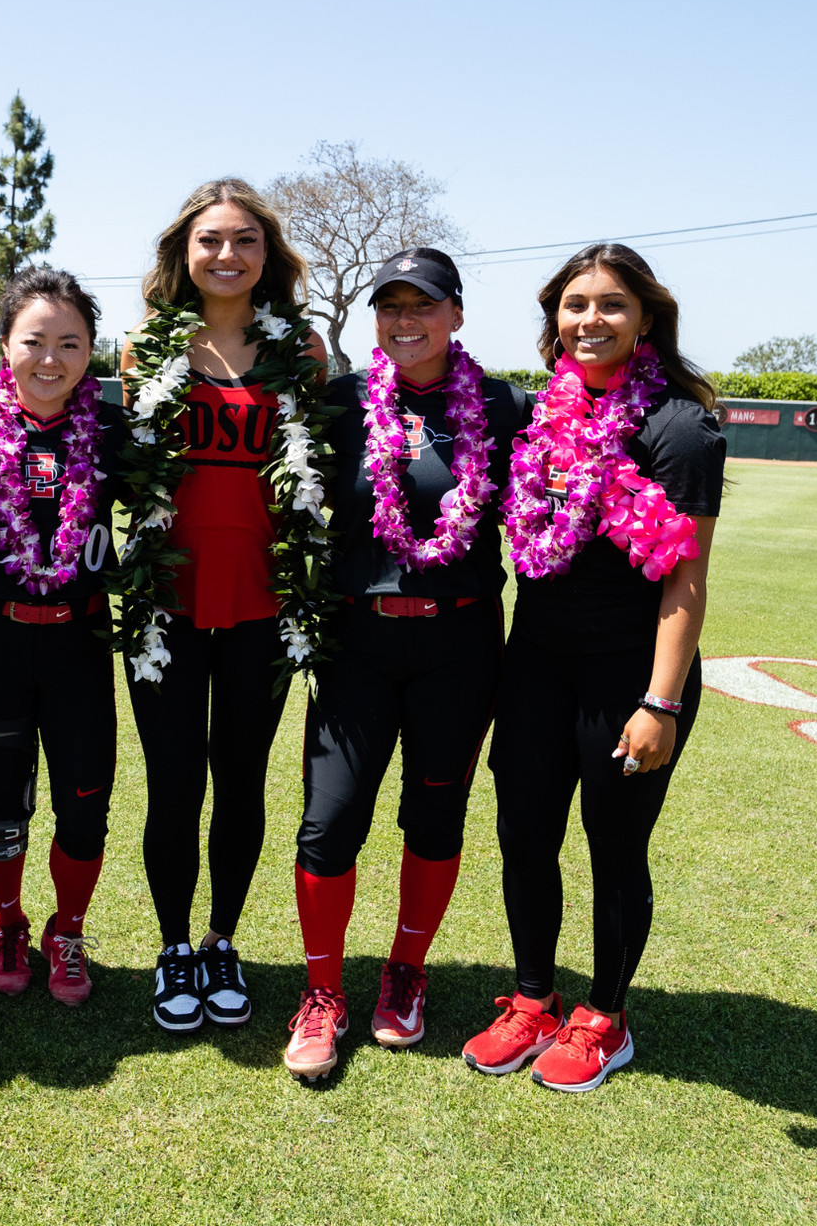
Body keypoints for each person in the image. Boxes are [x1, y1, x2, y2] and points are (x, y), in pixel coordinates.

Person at [466, 243, 723, 1093]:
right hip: (537, 665)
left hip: (628, 677)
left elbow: (687, 580)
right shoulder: (543, 415)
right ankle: (532, 1000)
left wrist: (661, 702)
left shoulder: (679, 427)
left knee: (614, 848)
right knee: (523, 836)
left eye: (611, 303)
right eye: (574, 304)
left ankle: (606, 1019)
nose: (590, 319)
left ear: (646, 318)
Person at [282, 249, 531, 1079]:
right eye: (389, 306)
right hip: (357, 642)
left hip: (458, 646)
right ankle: (322, 992)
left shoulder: (504, 407)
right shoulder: (341, 403)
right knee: (329, 823)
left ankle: (406, 971)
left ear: (455, 314)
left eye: (422, 305)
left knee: (434, 818)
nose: (404, 320)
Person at [120, 178, 327, 1033]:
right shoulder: (143, 348)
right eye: (210, 240)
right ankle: (174, 946)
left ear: (267, 253)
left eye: (244, 239)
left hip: (263, 607)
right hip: (164, 607)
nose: (227, 254)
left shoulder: (301, 350)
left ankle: (220, 940)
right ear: (185, 251)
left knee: (241, 783)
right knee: (173, 786)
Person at [0, 267, 127, 1006]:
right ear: (4, 344)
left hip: (80, 639)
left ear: (91, 352)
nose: (50, 359)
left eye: (70, 343)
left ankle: (67, 930)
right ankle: (9, 922)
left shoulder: (114, 431)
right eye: (34, 340)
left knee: (85, 797)